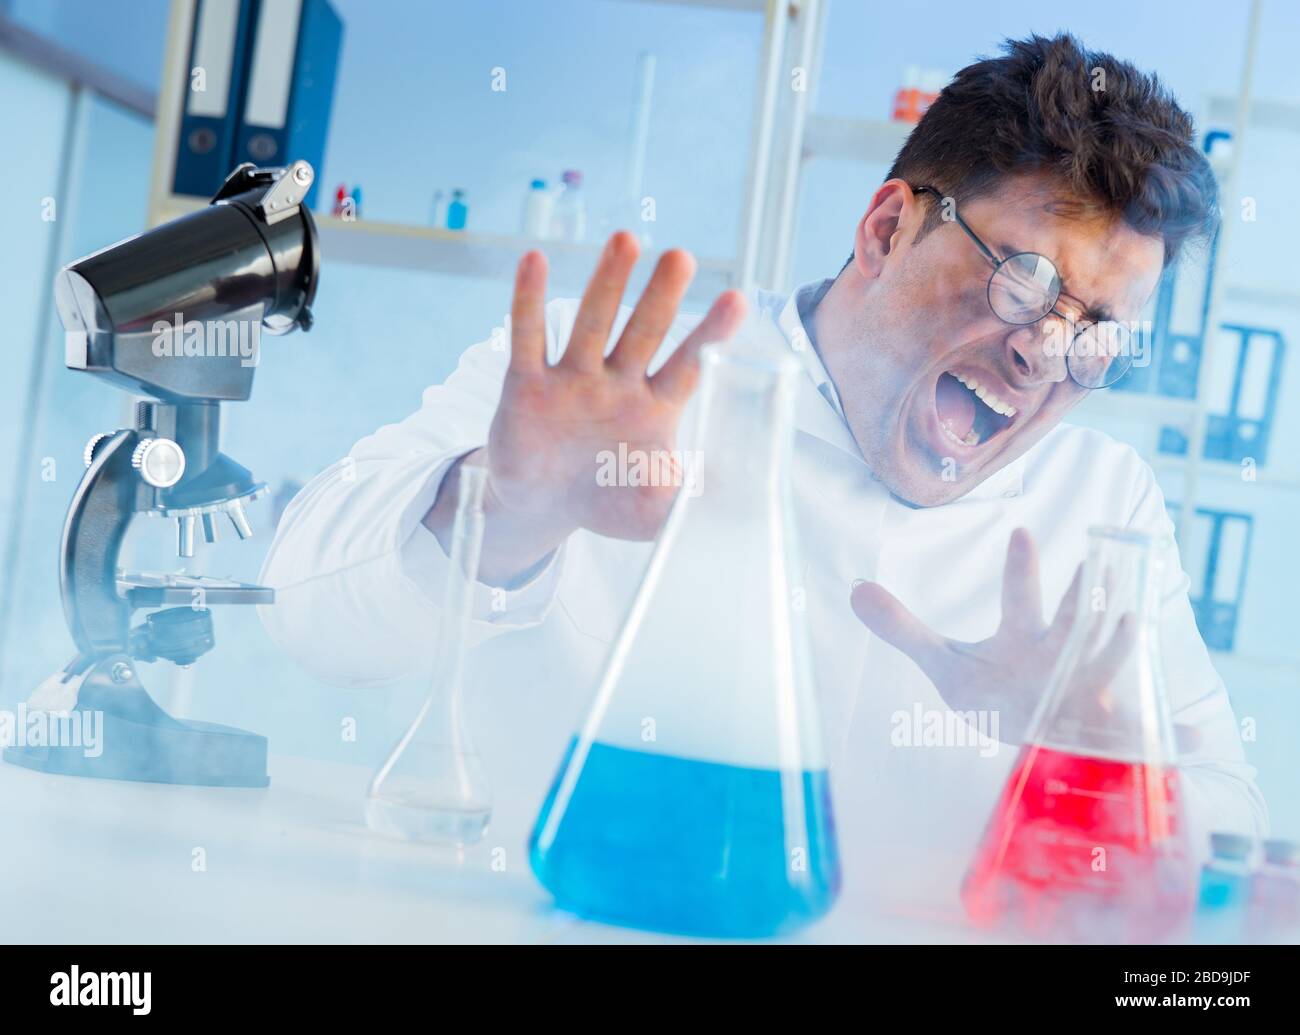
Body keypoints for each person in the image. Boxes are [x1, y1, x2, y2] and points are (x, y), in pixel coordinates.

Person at [259, 34, 1265, 914]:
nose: (1044, 354)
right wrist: (508, 504)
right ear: (885, 229)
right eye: (1026, 280)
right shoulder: (609, 378)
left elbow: (1229, 830)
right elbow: (307, 614)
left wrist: (1113, 758)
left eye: (1096, 336)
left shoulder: (1100, 501)